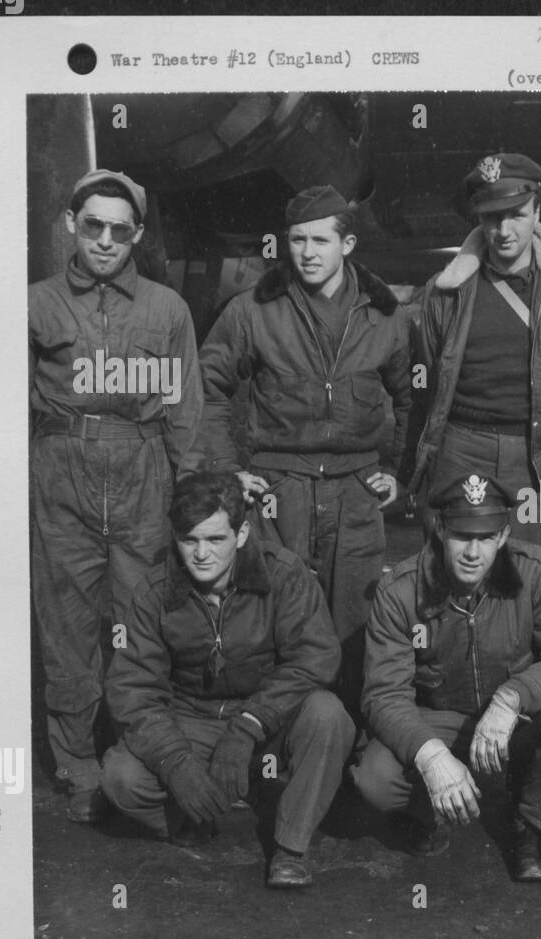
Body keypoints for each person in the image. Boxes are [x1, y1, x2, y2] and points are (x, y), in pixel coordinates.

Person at [29, 168, 204, 822]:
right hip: (62, 469)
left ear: (137, 235)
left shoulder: (166, 308)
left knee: (142, 625)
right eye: (93, 226)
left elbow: (185, 406)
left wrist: (191, 491)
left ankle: (138, 754)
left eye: (119, 230)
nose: (105, 240)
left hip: (142, 469)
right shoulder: (35, 304)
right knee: (68, 628)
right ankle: (76, 768)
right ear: (73, 225)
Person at [197, 185, 413, 703]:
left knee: (356, 624)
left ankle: (351, 743)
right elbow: (208, 389)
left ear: (348, 243)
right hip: (280, 489)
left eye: (320, 240)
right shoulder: (253, 311)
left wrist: (397, 469)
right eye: (297, 240)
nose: (308, 253)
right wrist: (228, 469)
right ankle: (278, 742)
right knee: (280, 617)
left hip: (356, 492)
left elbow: (414, 398)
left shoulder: (384, 315)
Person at [102, 472, 356, 889]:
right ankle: (200, 811)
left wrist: (251, 723)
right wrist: (175, 762)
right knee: (120, 778)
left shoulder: (284, 575)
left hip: (266, 716)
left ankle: (291, 845)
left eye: (215, 540)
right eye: (189, 540)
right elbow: (134, 691)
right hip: (193, 718)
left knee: (329, 715)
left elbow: (315, 658)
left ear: (240, 535)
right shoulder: (153, 592)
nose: (201, 554)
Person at [353, 470, 541, 880]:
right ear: (439, 529)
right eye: (462, 536)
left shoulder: (535, 570)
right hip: (443, 722)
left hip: (516, 722)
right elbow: (383, 695)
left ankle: (533, 823)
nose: (473, 551)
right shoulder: (401, 590)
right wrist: (431, 756)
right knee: (375, 778)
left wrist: (513, 697)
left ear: (504, 535)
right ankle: (429, 811)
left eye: (486, 537)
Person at [403, 153, 541, 573]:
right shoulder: (444, 291)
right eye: (491, 217)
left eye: (517, 214)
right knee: (454, 579)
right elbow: (426, 383)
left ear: (538, 210)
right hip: (463, 451)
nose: (503, 231)